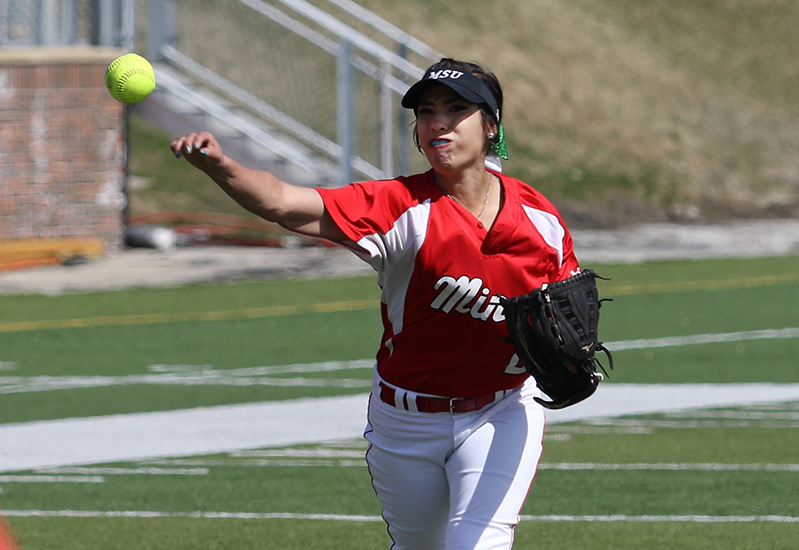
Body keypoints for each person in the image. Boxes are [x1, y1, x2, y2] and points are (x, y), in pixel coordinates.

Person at [171, 58, 583, 550]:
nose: (438, 122)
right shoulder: (398, 206)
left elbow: (568, 314)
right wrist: (221, 165)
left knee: (479, 544)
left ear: (491, 125)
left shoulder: (541, 220)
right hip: (405, 420)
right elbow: (283, 202)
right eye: (426, 111)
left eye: (457, 109)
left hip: (501, 410)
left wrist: (567, 351)